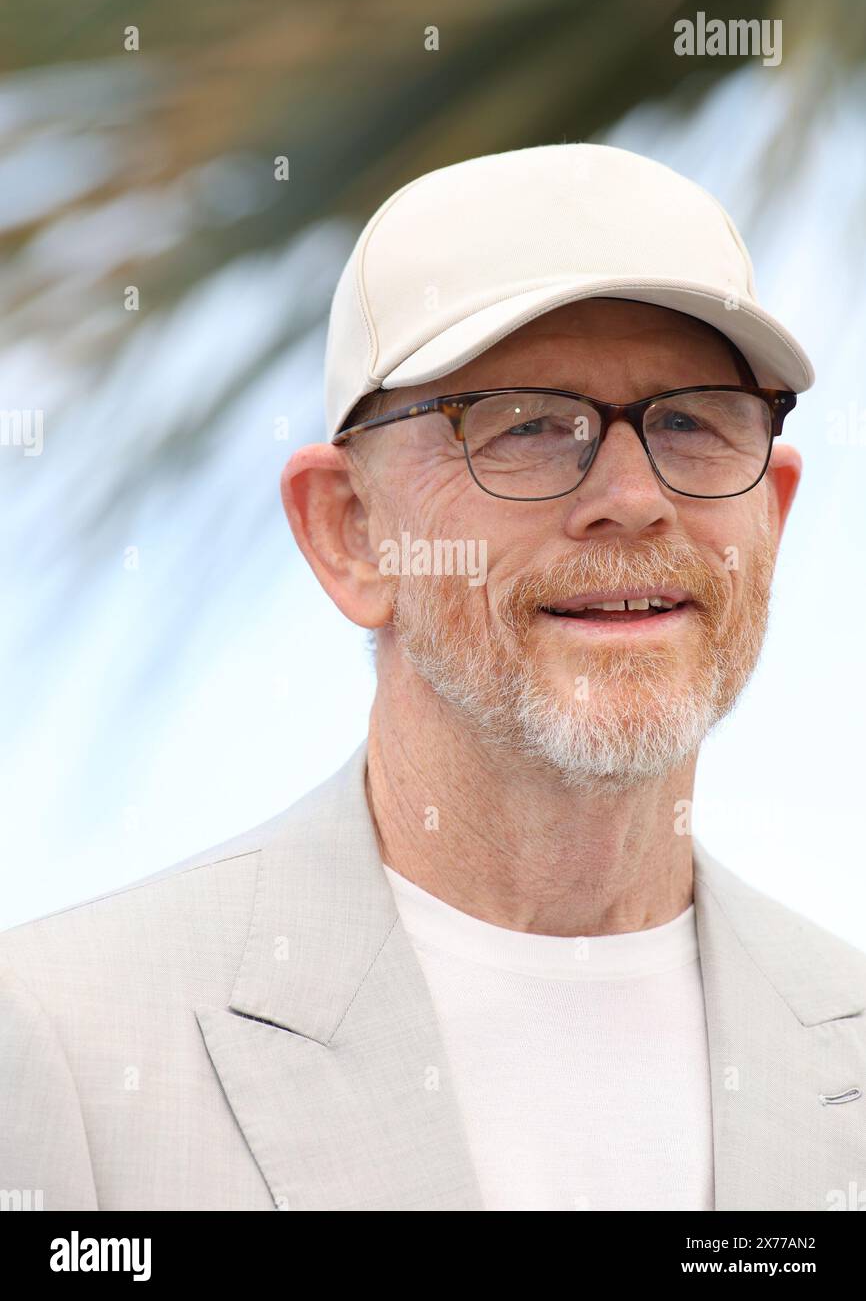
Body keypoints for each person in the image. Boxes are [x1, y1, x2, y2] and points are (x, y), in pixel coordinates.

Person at [2, 143, 863, 1213]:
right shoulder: (64, 1042)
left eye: (690, 421)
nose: (634, 499)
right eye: (528, 425)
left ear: (770, 514)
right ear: (349, 534)